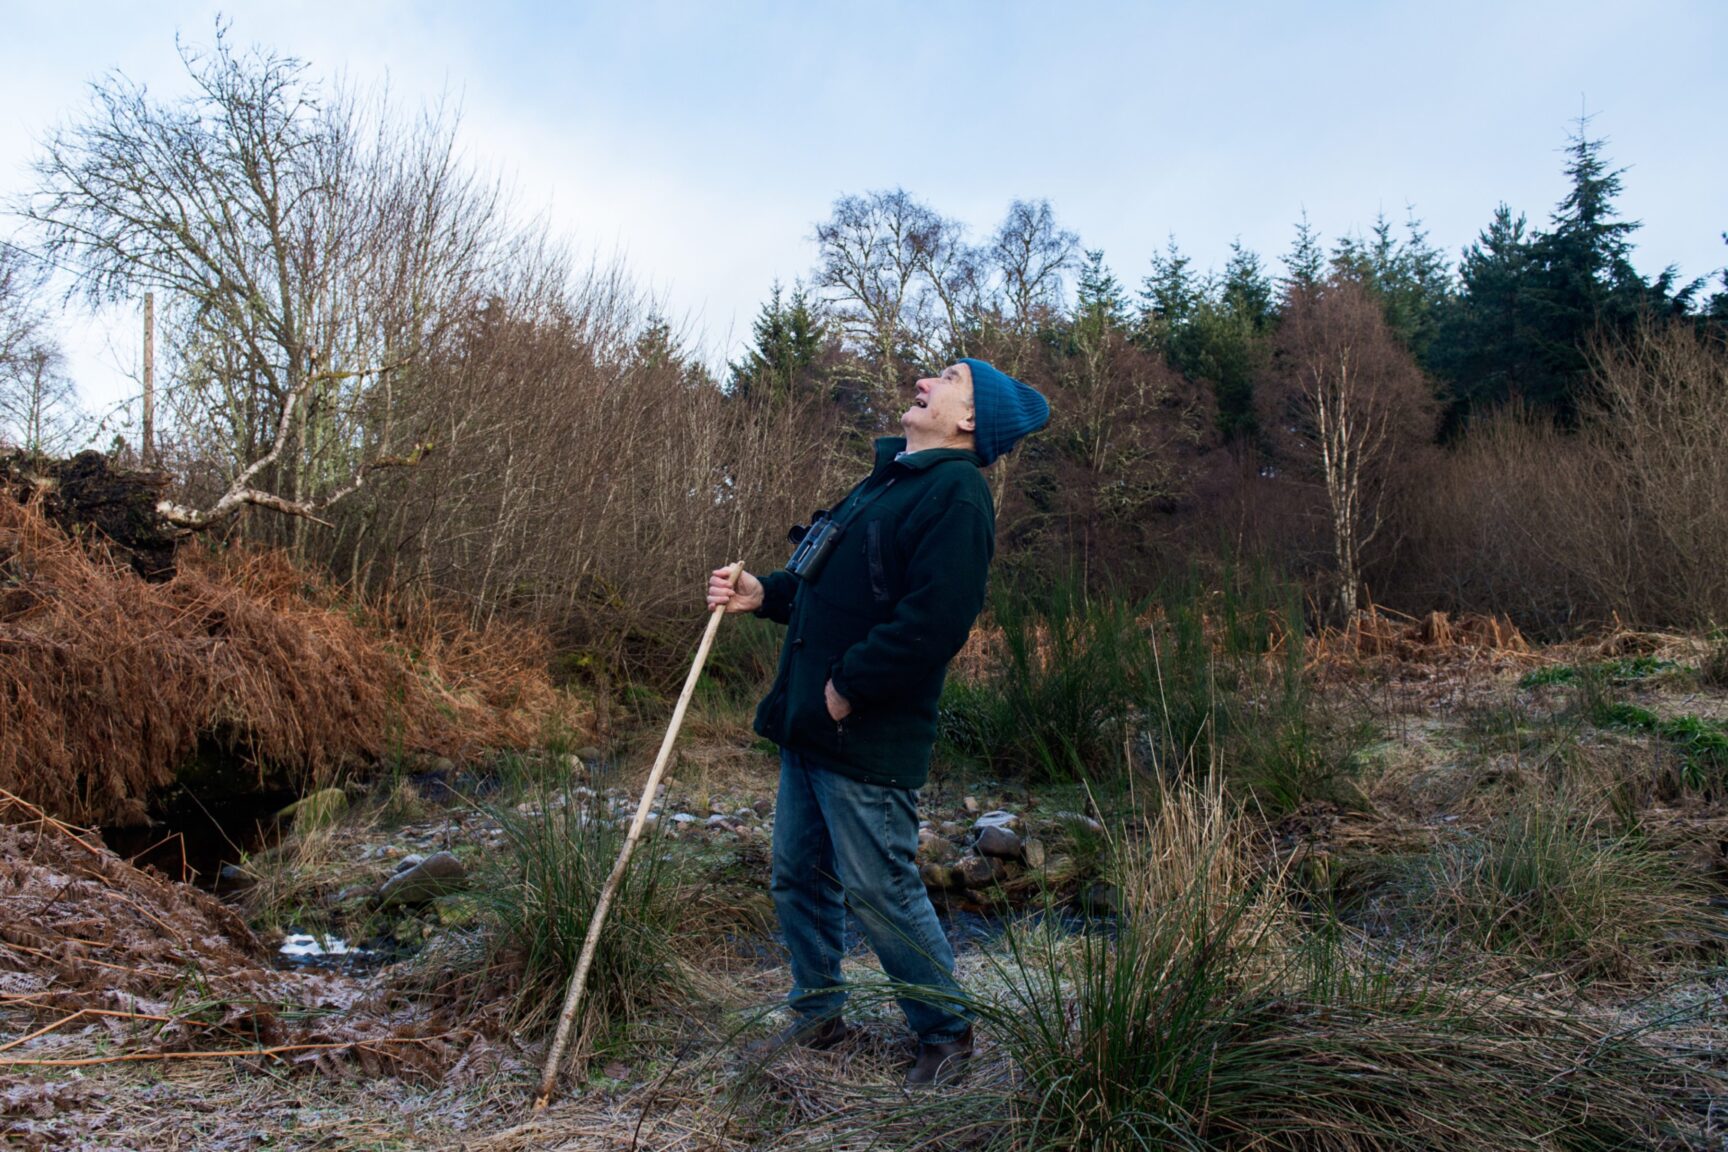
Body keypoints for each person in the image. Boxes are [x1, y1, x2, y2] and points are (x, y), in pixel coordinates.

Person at [707, 358, 1048, 1088]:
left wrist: (847, 689)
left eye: (948, 378)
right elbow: (824, 584)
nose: (925, 380)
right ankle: (818, 1018)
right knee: (798, 878)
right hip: (810, 726)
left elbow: (936, 621)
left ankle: (945, 1034)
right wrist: (763, 592)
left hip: (863, 734)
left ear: (970, 419)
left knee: (881, 889)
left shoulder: (958, 496)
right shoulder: (885, 482)